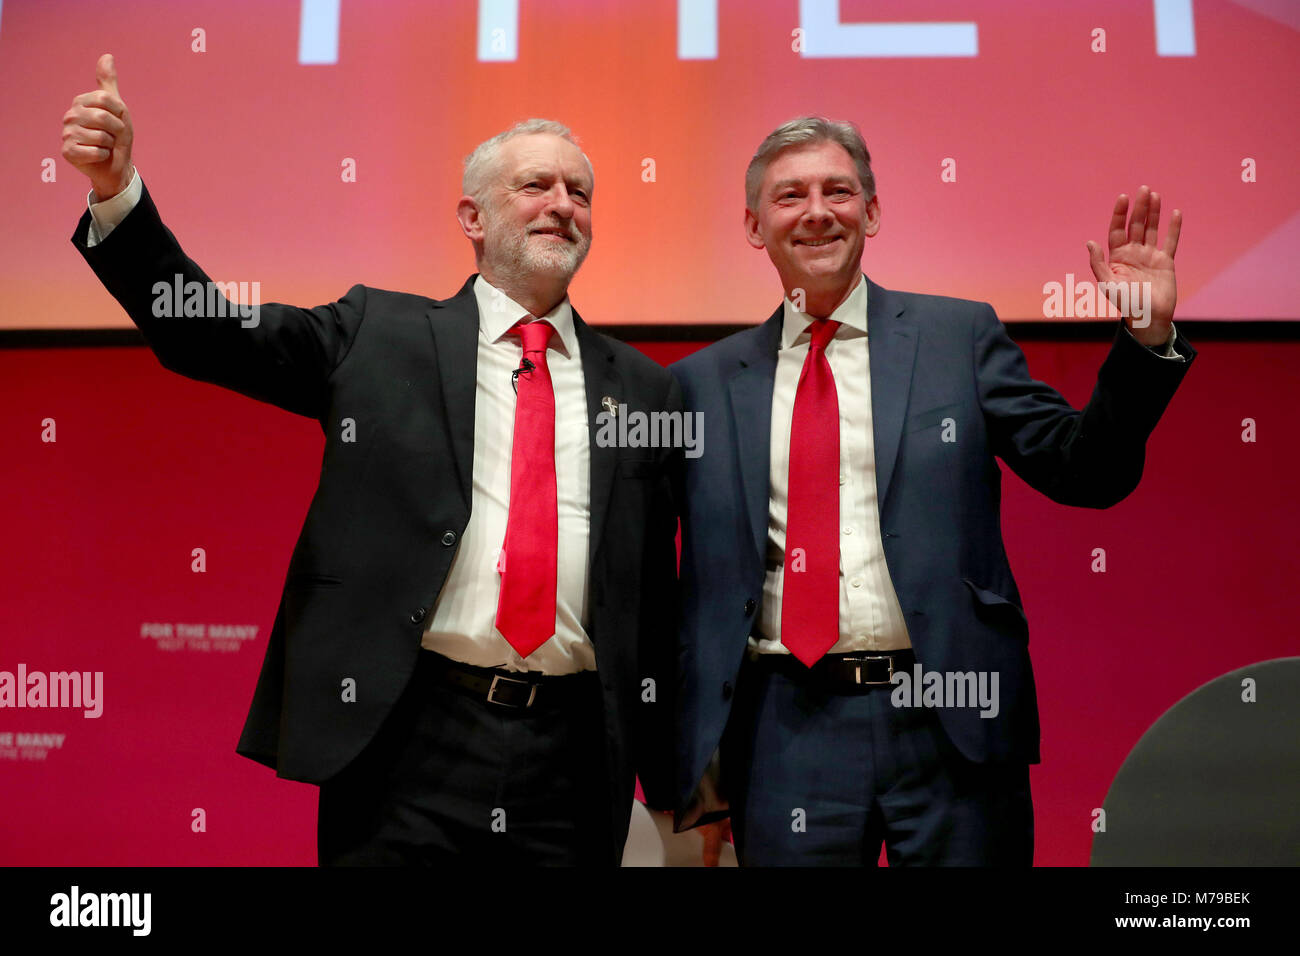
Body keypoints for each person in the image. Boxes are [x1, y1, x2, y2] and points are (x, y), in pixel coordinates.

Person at [63, 53, 682, 866]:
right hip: (406, 739)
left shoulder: (646, 392)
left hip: (574, 758)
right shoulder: (378, 335)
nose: (562, 205)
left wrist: (683, 787)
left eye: (580, 193)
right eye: (536, 186)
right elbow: (204, 332)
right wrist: (119, 196)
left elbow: (663, 606)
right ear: (472, 216)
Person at [668, 116, 1195, 866]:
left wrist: (1145, 337)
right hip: (785, 729)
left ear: (872, 213)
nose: (817, 210)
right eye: (791, 196)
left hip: (951, 711)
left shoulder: (958, 337)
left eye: (838, 191)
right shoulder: (700, 383)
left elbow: (1086, 472)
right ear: (755, 227)